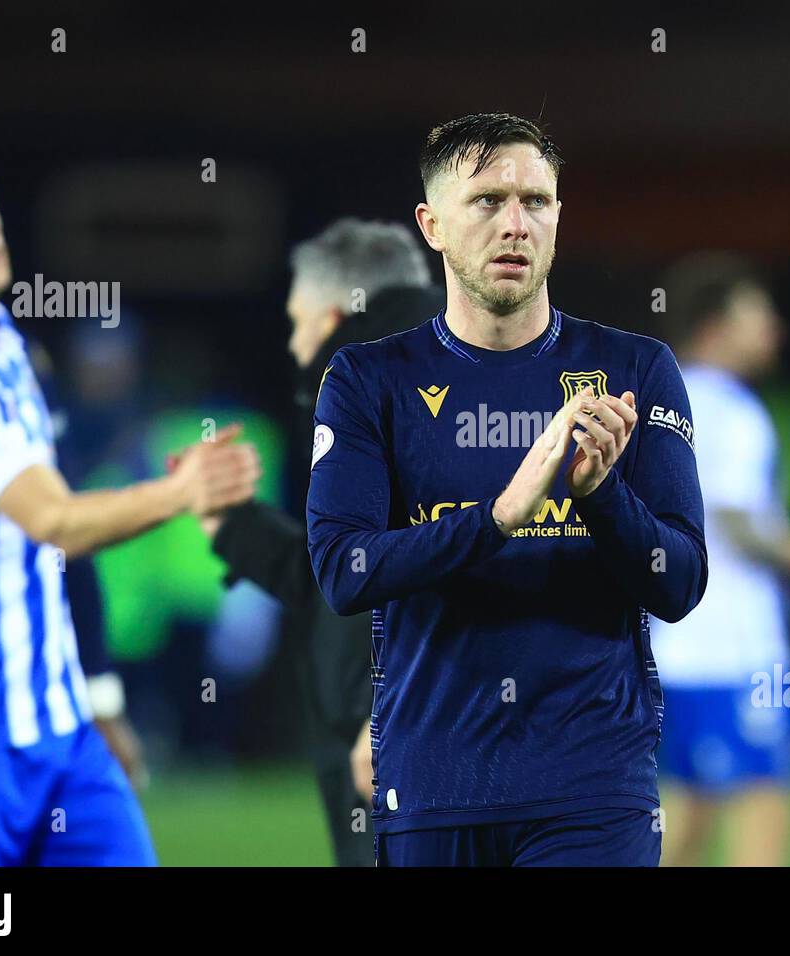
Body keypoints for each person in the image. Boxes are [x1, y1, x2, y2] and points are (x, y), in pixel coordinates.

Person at [303, 112, 706, 866]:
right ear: (432, 225)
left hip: (592, 788)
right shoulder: (367, 381)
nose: (516, 224)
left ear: (559, 218)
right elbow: (342, 571)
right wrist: (495, 520)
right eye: (488, 201)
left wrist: (601, 498)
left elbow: (680, 582)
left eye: (537, 202)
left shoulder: (636, 370)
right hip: (432, 787)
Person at [0, 137, 259, 866]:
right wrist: (181, 490)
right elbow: (55, 521)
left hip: (55, 731)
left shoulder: (7, 345)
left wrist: (97, 697)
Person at [201, 217, 443, 866]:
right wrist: (234, 526)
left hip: (399, 728)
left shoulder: (371, 382)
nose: (292, 340)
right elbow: (344, 575)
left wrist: (389, 708)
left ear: (331, 314)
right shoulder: (457, 362)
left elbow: (429, 568)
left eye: (295, 319)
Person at [652, 253, 790, 866]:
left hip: (670, 644)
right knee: (765, 808)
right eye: (758, 314)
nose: (774, 329)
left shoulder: (664, 395)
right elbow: (735, 523)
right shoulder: (734, 410)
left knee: (689, 816)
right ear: (716, 325)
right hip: (734, 650)